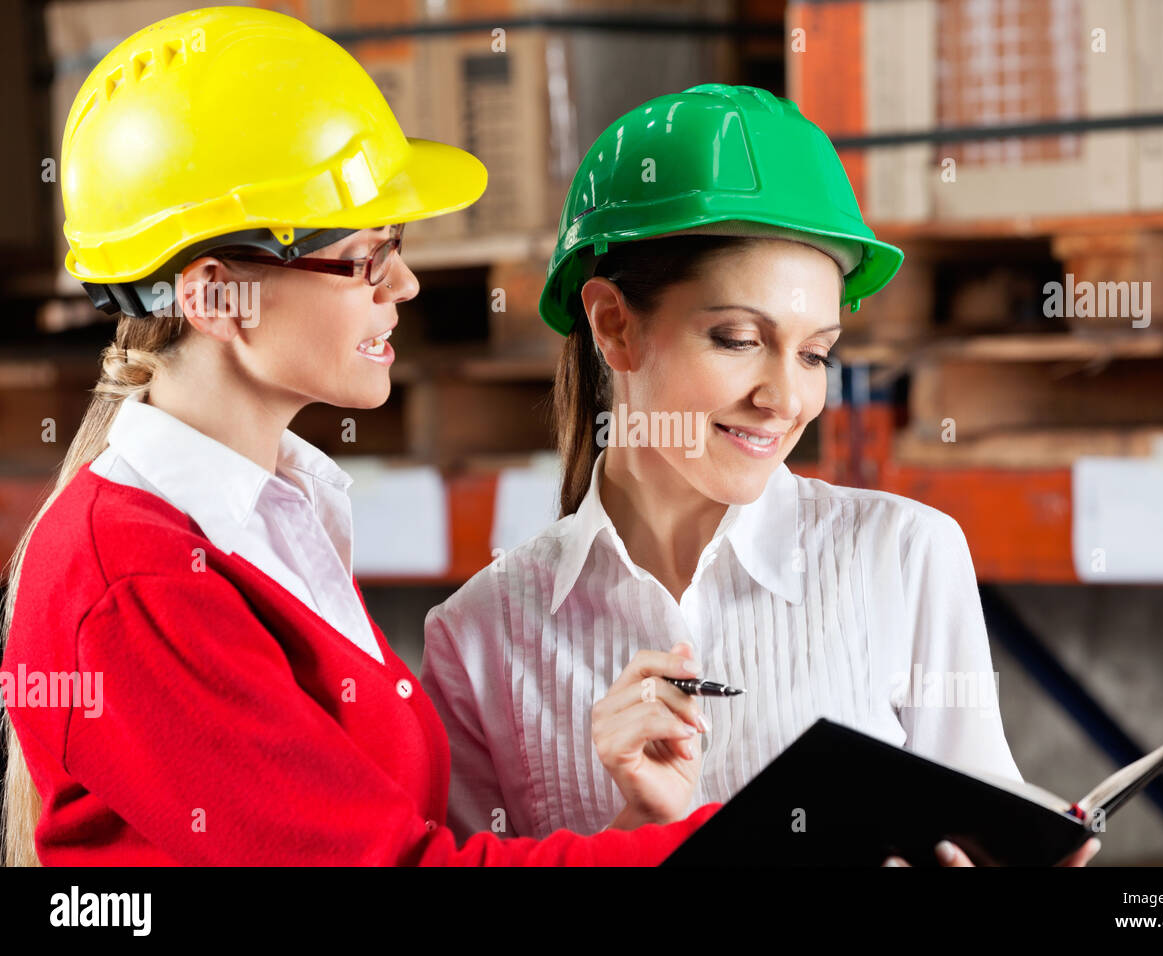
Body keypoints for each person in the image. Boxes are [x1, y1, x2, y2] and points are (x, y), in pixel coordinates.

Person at [0, 7, 719, 867]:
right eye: (364, 258)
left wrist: (639, 836)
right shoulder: (135, 578)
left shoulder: (269, 521)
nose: (405, 285)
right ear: (215, 295)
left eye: (399, 247)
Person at [421, 84, 1101, 867]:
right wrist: (633, 829)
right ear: (613, 325)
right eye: (740, 338)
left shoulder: (906, 556)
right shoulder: (482, 638)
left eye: (815, 353)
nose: (785, 398)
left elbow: (980, 835)